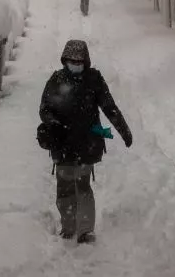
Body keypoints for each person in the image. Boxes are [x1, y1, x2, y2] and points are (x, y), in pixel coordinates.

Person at [38, 40, 132, 244]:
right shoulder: (56, 80)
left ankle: (85, 230)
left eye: (79, 61)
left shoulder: (94, 79)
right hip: (61, 142)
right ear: (65, 60)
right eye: (72, 60)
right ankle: (68, 226)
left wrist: (124, 130)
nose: (75, 64)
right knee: (64, 186)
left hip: (87, 143)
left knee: (82, 184)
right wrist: (53, 123)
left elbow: (109, 107)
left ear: (86, 61)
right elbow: (44, 108)